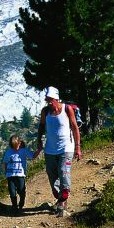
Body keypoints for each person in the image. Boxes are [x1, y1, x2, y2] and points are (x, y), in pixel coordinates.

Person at [35, 86, 81, 217]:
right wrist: (39, 142)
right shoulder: (45, 112)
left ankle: (63, 199)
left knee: (63, 171)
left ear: (56, 99)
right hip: (50, 149)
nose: (49, 102)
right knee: (52, 175)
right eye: (47, 100)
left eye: (51, 99)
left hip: (66, 147)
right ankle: (59, 198)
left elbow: (75, 128)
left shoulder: (67, 109)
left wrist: (78, 147)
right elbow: (41, 126)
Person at [1, 134, 35, 215]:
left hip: (20, 175)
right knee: (12, 191)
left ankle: (22, 201)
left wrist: (39, 150)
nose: (15, 148)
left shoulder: (24, 150)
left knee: (21, 190)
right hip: (10, 175)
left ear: (20, 143)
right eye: (13, 147)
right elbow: (5, 162)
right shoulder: (8, 152)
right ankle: (14, 206)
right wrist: (5, 172)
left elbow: (32, 156)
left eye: (17, 146)